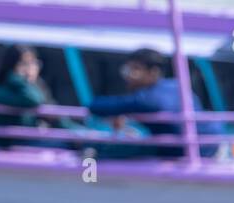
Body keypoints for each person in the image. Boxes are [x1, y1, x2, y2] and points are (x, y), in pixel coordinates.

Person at [87, 47, 224, 160]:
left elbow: (96, 106)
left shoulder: (147, 99)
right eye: (127, 70)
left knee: (101, 150)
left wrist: (120, 112)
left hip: (185, 151)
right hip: (211, 146)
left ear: (153, 72)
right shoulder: (176, 86)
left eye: (135, 70)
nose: (128, 75)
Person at [0, 45, 82, 150]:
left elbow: (55, 118)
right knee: (66, 146)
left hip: (27, 141)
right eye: (23, 64)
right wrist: (18, 79)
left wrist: (79, 133)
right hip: (10, 145)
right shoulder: (1, 91)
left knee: (78, 143)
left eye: (33, 63)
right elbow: (33, 100)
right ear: (10, 67)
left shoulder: (32, 87)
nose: (30, 69)